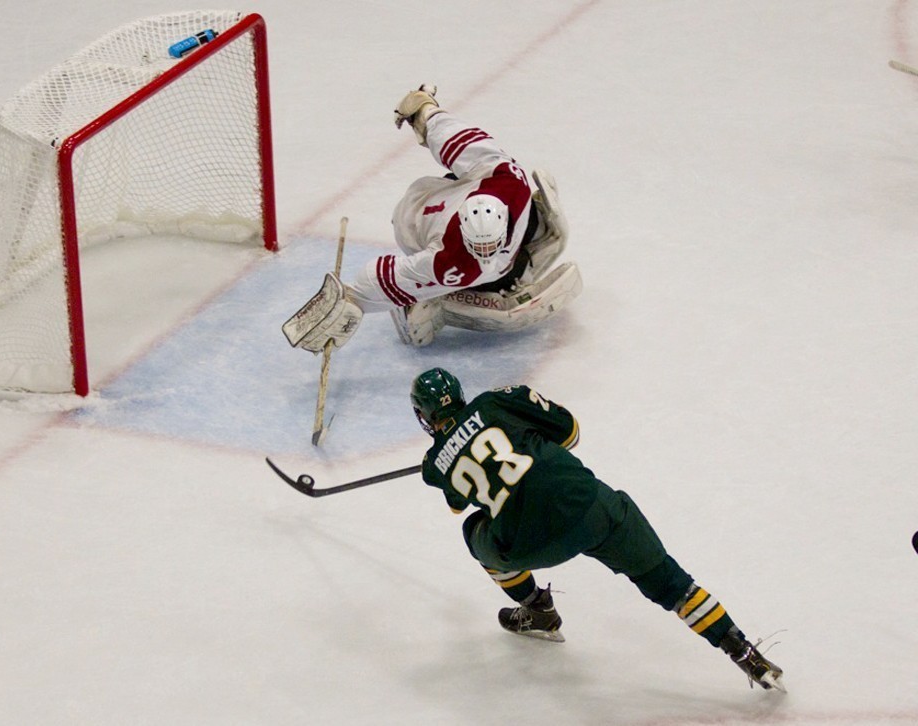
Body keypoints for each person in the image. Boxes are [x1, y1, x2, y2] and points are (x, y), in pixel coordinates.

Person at [408, 367, 786, 692]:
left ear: (424, 416)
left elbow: (459, 503)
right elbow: (570, 432)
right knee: (670, 583)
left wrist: (450, 451)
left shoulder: (433, 466)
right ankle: (742, 650)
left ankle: (537, 608)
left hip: (529, 543)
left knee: (476, 529)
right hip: (591, 507)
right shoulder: (497, 401)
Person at [281, 85, 582, 354]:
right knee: (492, 275)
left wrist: (427, 114)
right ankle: (430, 304)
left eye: (490, 246)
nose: (485, 254)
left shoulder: (509, 180)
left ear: (503, 218)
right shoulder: (453, 262)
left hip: (445, 197)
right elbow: (387, 275)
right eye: (479, 248)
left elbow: (457, 141)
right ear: (465, 233)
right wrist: (352, 300)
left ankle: (491, 266)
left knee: (520, 223)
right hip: (414, 226)